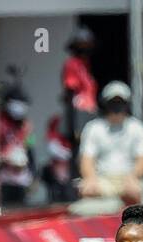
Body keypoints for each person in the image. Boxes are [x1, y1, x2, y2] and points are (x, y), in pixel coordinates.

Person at [79, 81, 143, 207]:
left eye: (120, 102)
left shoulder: (139, 128)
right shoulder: (93, 128)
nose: (116, 106)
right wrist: (90, 178)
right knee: (87, 189)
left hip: (128, 177)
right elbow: (87, 159)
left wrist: (133, 177)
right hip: (103, 178)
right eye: (113, 102)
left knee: (134, 192)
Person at [60, 27, 98, 169]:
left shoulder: (84, 65)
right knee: (79, 153)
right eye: (83, 46)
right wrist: (74, 125)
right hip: (78, 115)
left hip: (88, 113)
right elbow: (71, 94)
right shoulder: (72, 64)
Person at [0, 88, 36, 206]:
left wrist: (33, 174)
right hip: (3, 179)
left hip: (21, 179)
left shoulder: (26, 125)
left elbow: (30, 148)